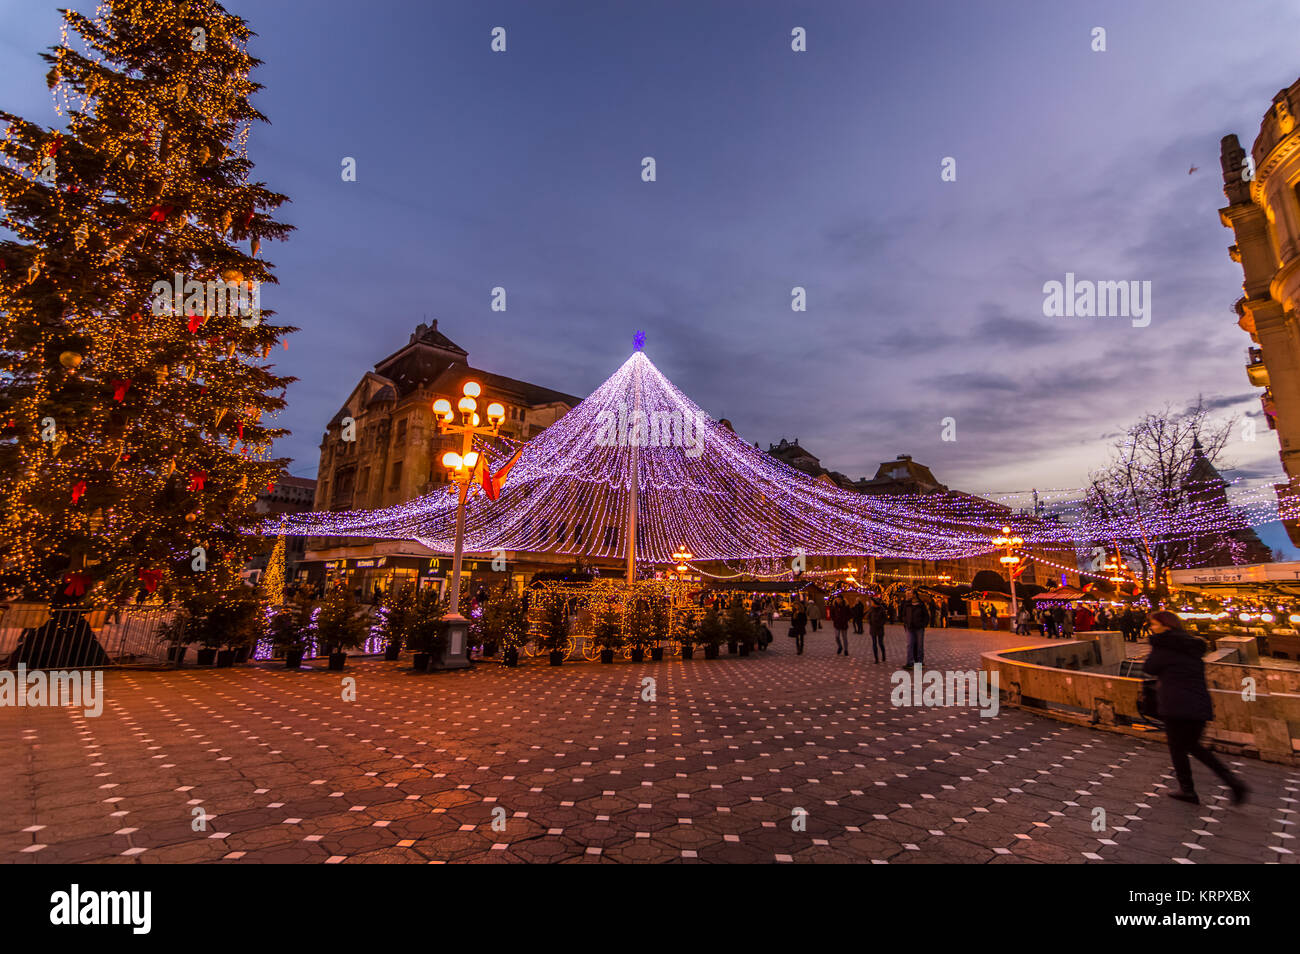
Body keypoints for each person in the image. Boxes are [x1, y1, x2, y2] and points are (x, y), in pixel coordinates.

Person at [1142, 610, 1248, 805]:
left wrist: (1155, 644)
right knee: (1191, 746)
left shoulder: (1164, 646)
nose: (1151, 628)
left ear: (1166, 626)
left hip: (1175, 704)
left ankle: (1191, 789)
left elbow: (1150, 668)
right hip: (1198, 702)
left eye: (1154, 624)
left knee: (1180, 748)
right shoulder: (1192, 645)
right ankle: (1228, 782)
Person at [901, 588, 930, 667]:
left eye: (910, 593)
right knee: (910, 644)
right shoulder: (907, 604)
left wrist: (923, 624)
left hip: (919, 628)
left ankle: (920, 662)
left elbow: (926, 616)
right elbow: (903, 614)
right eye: (908, 594)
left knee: (920, 645)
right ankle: (909, 662)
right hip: (909, 627)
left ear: (915, 595)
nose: (909, 595)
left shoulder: (921, 604)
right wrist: (906, 623)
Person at [867, 597, 887, 663]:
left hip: (880, 629)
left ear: (875, 603)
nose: (871, 603)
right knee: (874, 643)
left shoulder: (882, 609)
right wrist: (870, 622)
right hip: (873, 629)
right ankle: (876, 659)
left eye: (872, 602)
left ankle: (883, 655)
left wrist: (880, 624)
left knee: (880, 643)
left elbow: (884, 619)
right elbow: (868, 617)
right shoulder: (871, 609)